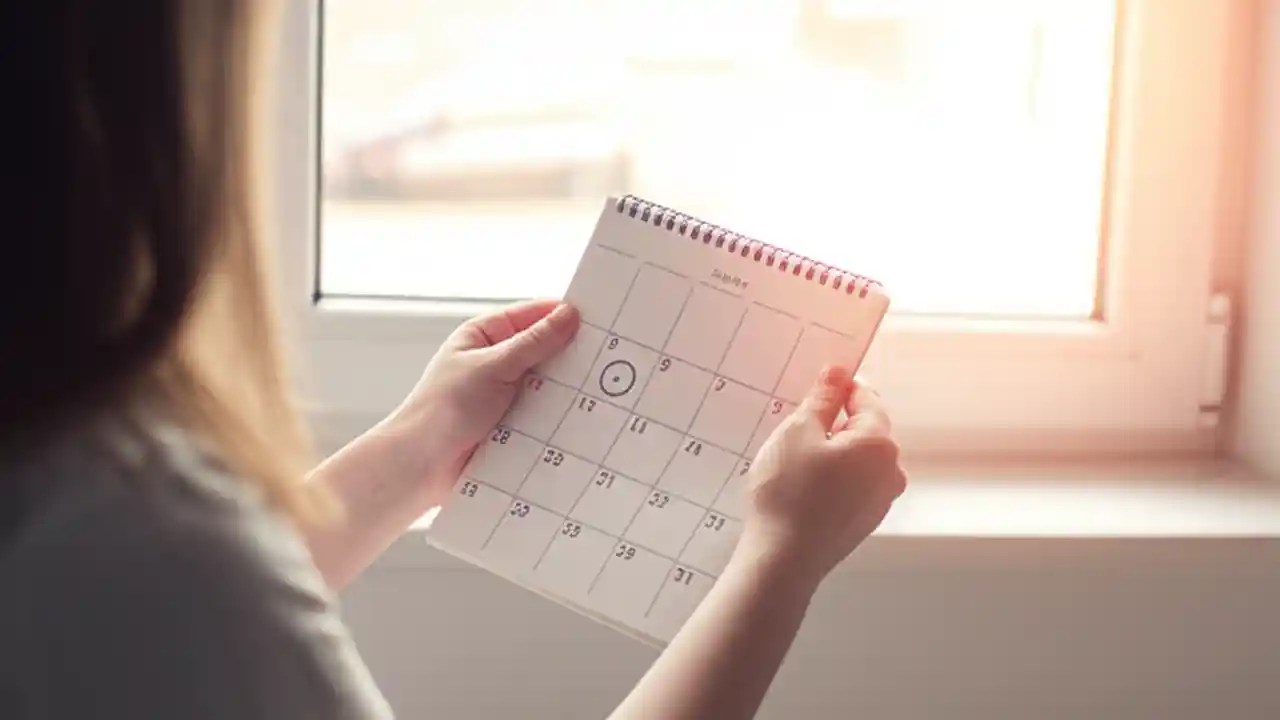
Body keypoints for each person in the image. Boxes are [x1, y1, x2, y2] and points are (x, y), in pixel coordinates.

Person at [0, 2, 907, 719]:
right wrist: (778, 560)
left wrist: (418, 449)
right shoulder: (138, 540)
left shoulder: (80, 498)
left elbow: (161, 647)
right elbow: (171, 604)